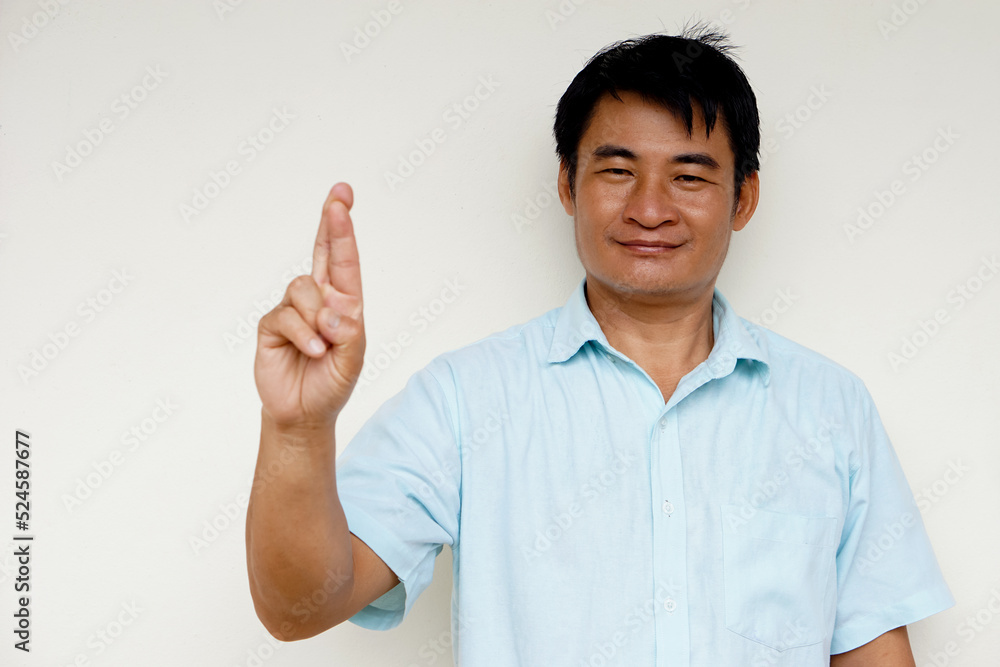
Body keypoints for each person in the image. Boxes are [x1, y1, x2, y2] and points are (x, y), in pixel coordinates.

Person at [245, 26, 954, 665]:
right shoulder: (468, 398)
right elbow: (297, 605)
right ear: (567, 184)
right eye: (617, 170)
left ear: (743, 199)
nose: (649, 207)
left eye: (689, 175)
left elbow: (874, 652)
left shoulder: (829, 407)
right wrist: (297, 428)